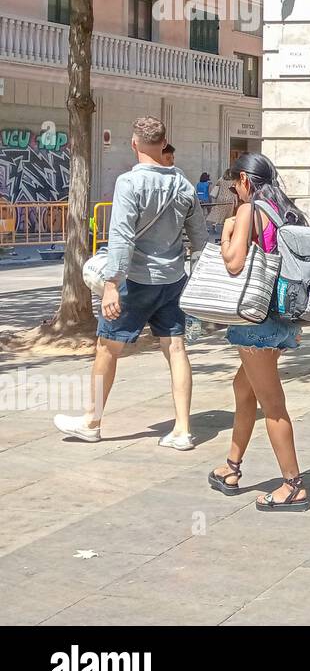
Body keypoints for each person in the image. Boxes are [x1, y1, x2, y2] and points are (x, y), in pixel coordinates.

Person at [54, 116, 205, 449]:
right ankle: (182, 429)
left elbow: (121, 236)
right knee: (176, 348)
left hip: (135, 280)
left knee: (107, 347)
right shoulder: (183, 184)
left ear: (134, 144)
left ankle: (91, 421)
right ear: (164, 144)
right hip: (173, 279)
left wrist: (112, 283)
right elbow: (199, 235)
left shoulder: (128, 183)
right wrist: (196, 274)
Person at [206, 152, 310, 511]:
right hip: (283, 318)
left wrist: (226, 233)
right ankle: (231, 468)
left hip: (256, 322)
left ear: (246, 181)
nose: (234, 189)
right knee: (242, 386)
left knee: (273, 404)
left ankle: (293, 484)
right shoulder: (285, 211)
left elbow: (234, 264)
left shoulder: (250, 210)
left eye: (235, 182)